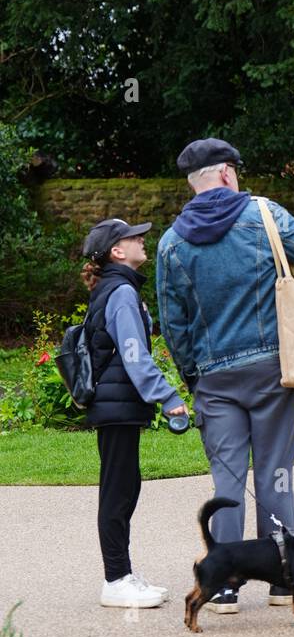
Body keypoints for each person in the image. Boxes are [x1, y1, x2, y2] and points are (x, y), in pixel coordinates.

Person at [156, 138, 294, 615]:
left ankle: (225, 587)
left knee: (228, 480)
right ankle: (285, 581)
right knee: (276, 474)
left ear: (194, 183)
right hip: (274, 370)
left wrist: (195, 377)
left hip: (214, 379)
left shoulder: (171, 244)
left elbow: (173, 324)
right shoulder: (262, 215)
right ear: (229, 174)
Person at [81, 218, 188, 608]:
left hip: (118, 405)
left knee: (125, 487)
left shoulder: (116, 288)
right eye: (133, 237)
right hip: (117, 406)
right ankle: (115, 579)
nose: (143, 239)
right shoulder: (121, 291)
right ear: (116, 251)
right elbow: (133, 355)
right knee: (118, 491)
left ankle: (122, 574)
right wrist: (167, 396)